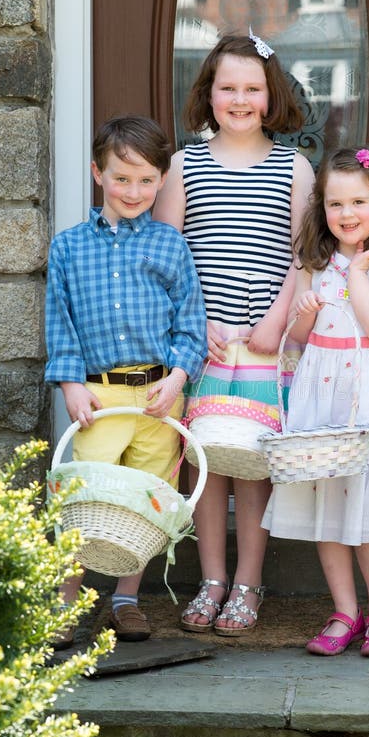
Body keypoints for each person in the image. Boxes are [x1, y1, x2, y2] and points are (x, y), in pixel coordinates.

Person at [154, 31, 315, 635]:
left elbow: (304, 256)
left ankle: (249, 581)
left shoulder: (292, 165)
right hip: (206, 341)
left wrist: (278, 319)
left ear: (271, 96)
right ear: (209, 93)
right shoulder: (183, 164)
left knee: (254, 467)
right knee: (205, 465)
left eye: (253, 88)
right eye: (228, 88)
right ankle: (211, 579)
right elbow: (169, 258)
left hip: (268, 345)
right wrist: (196, 323)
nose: (240, 99)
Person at [45, 115, 207, 647]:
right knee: (85, 497)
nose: (133, 191)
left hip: (160, 396)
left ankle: (126, 600)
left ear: (161, 180)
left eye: (145, 180)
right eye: (121, 178)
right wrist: (71, 383)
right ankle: (66, 603)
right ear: (98, 173)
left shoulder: (170, 246)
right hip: (100, 395)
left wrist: (179, 376)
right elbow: (60, 321)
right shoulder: (69, 248)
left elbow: (190, 322)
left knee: (147, 501)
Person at [262, 146, 369, 657]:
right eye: (335, 205)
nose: (347, 214)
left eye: (358, 201)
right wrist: (307, 308)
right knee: (326, 508)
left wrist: (357, 272)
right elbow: (297, 339)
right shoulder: (313, 263)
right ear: (322, 209)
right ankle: (344, 611)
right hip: (323, 393)